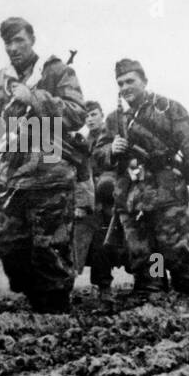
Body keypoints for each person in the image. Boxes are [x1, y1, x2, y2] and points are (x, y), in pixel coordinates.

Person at [0, 17, 86, 313]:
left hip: (49, 173)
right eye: (8, 42)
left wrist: (34, 98)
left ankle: (56, 315)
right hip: (9, 177)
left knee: (49, 249)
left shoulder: (57, 72)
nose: (13, 48)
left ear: (32, 39)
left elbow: (76, 114)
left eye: (19, 40)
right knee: (9, 245)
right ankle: (39, 300)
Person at [96, 59, 189, 298]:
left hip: (167, 191)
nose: (125, 87)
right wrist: (111, 149)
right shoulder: (114, 119)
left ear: (144, 81)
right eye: (120, 83)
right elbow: (98, 153)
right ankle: (154, 291)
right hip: (132, 196)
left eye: (130, 81)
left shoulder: (168, 108)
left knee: (175, 249)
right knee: (144, 250)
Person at [71, 101, 114, 296]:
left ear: (102, 115)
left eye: (94, 114)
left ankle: (155, 279)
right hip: (94, 200)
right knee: (96, 241)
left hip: (114, 196)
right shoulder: (83, 142)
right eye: (86, 116)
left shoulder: (113, 135)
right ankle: (102, 287)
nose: (90, 119)